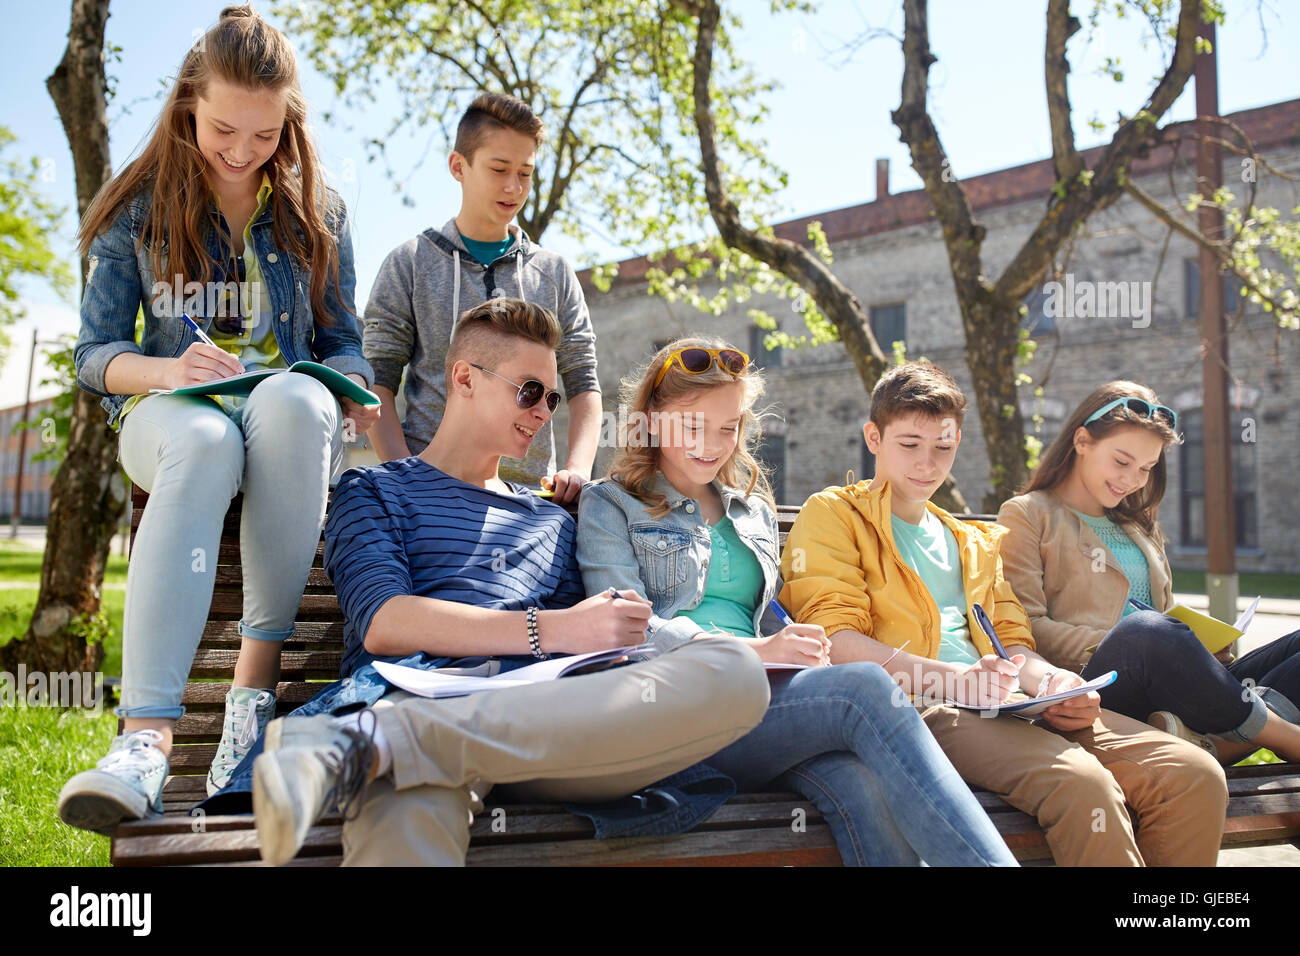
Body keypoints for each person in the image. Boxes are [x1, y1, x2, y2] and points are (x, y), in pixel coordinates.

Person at [248, 300, 770, 866]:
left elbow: (589, 650)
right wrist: (553, 628)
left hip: (541, 726)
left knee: (736, 672)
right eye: (528, 391)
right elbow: (385, 624)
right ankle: (389, 744)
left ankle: (373, 744)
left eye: (551, 398)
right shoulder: (374, 491)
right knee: (404, 807)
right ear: (465, 378)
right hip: (412, 694)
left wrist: (611, 631)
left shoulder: (550, 517)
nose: (544, 412)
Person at [57, 5, 377, 832]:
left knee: (297, 396)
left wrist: (338, 383)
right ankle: (147, 745)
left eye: (264, 136)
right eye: (223, 129)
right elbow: (92, 355)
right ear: (189, 105)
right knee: (203, 434)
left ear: (289, 124)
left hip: (284, 421)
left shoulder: (320, 214)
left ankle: (250, 702)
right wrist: (169, 370)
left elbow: (346, 348)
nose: (240, 152)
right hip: (169, 415)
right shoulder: (136, 205)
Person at [575, 339, 1016, 866]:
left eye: (729, 427)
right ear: (651, 420)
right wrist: (753, 653)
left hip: (764, 710)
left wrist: (797, 647)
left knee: (863, 786)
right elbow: (624, 629)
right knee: (865, 688)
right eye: (693, 427)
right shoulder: (609, 503)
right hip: (677, 710)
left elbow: (767, 618)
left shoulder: (751, 512)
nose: (712, 445)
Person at [781, 361, 1229, 866]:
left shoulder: (971, 540)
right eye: (909, 444)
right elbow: (835, 641)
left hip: (1013, 706)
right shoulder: (836, 514)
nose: (927, 463)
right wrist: (958, 681)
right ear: (873, 437)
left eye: (944, 447)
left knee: (1194, 774)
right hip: (916, 710)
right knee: (1083, 786)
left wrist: (1055, 686)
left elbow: (1014, 643)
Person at [998, 381, 1300, 764]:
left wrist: (1196, 647)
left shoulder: (1138, 527)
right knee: (1146, 630)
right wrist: (1138, 642)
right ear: (1082, 441)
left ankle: (1214, 744)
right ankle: (1285, 737)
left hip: (1170, 692)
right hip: (1093, 690)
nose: (1132, 480)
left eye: (1146, 468)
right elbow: (1026, 629)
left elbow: (1167, 617)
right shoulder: (1027, 514)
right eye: (1122, 462)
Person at [362, 91, 600, 504]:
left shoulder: (556, 272)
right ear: (459, 166)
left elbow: (584, 383)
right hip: (433, 493)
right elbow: (376, 385)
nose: (514, 187)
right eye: (498, 169)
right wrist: (407, 478)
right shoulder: (410, 264)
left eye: (525, 173)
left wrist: (578, 471)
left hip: (532, 502)